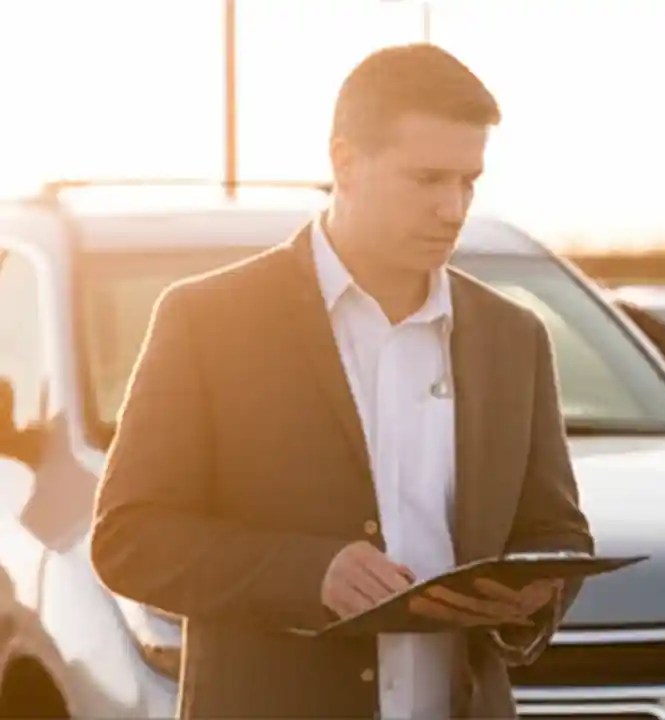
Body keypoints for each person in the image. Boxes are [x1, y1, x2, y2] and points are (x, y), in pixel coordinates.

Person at [90, 43, 594, 719]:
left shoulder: (514, 337)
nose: (454, 209)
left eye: (469, 182)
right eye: (428, 179)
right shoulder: (207, 320)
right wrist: (309, 574)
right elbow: (131, 540)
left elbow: (556, 528)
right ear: (345, 162)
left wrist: (538, 590)